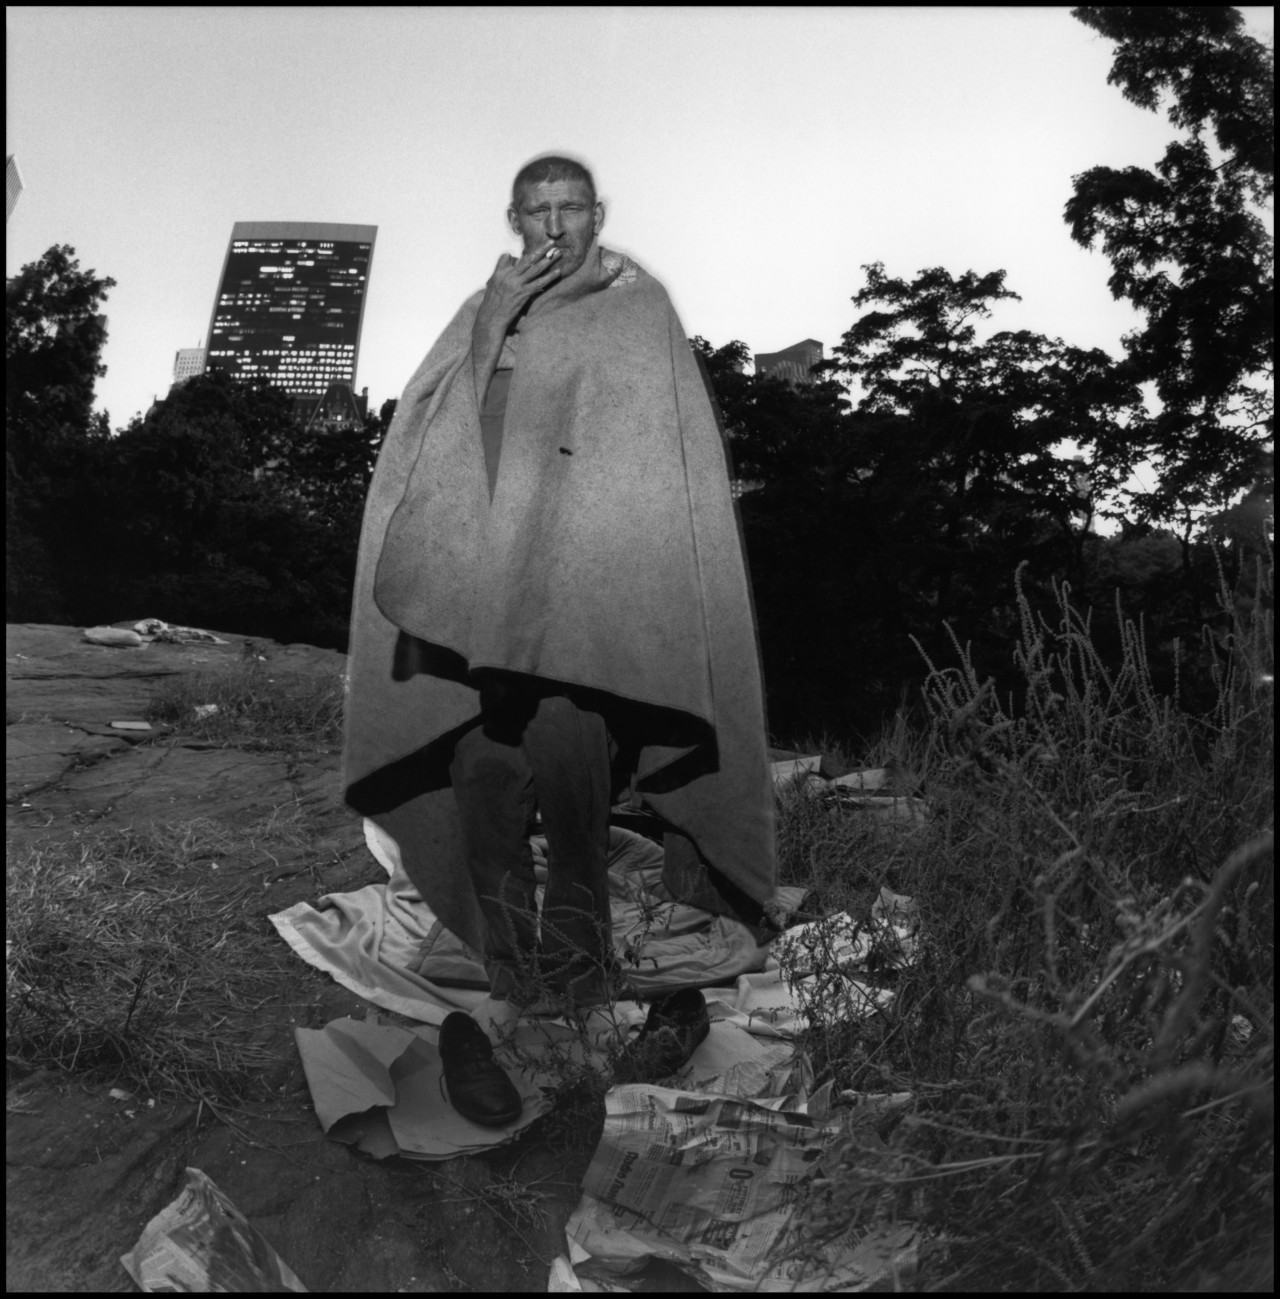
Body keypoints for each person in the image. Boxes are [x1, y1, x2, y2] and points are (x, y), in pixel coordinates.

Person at [343, 154, 776, 1023]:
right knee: (483, 784)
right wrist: (491, 329)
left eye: (569, 208)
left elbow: (659, 461)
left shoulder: (637, 307)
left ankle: (579, 985)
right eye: (535, 210)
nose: (552, 226)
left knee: (576, 791)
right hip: (480, 610)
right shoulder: (481, 308)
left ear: (598, 213)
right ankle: (514, 980)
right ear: (512, 218)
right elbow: (428, 447)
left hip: (583, 612)